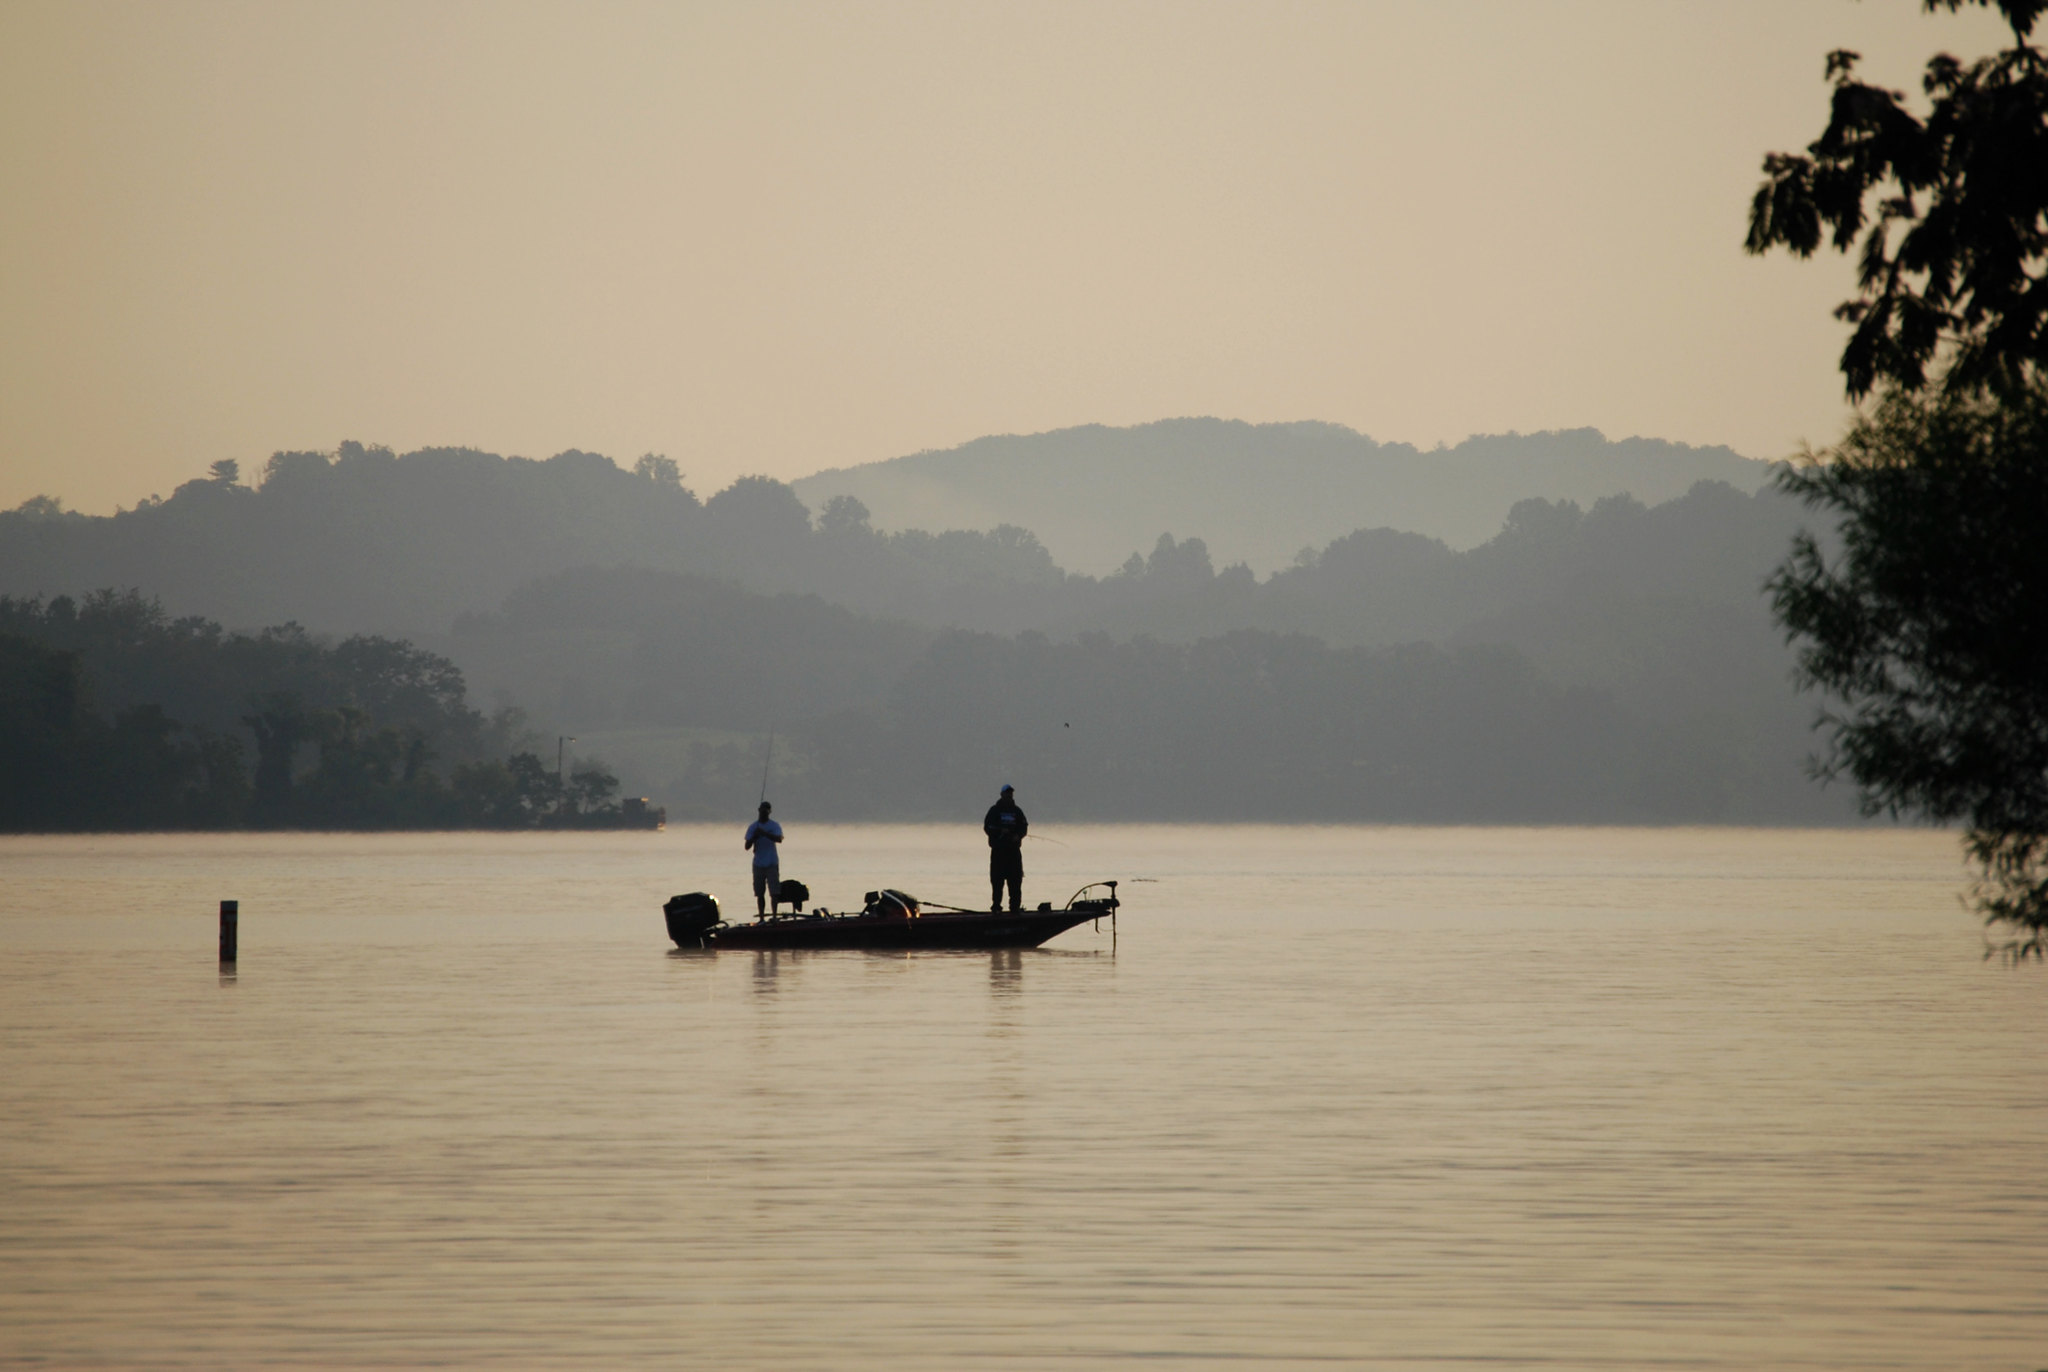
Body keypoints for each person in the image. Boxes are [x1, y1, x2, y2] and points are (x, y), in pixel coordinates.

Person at [983, 783, 1028, 912]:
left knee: (1015, 881)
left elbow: (1024, 828)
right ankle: (996, 907)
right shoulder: (994, 811)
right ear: (1002, 795)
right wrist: (1000, 832)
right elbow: (987, 827)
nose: (1009, 796)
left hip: (1014, 852)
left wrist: (1017, 836)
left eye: (1011, 794)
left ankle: (1015, 907)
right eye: (1007, 793)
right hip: (998, 852)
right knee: (997, 882)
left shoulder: (1017, 811)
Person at [744, 800, 784, 915]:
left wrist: (764, 833)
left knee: (774, 892)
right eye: (762, 810)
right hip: (758, 864)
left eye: (766, 810)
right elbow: (747, 846)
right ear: (759, 810)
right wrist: (754, 837)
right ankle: (761, 916)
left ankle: (774, 916)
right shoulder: (753, 827)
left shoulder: (774, 825)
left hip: (772, 862)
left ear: (770, 812)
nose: (764, 812)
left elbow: (779, 839)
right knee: (759, 893)